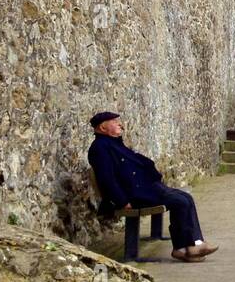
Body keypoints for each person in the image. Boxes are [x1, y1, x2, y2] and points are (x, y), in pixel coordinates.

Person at [87, 112, 218, 263]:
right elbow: (106, 178)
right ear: (103, 127)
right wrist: (121, 201)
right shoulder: (100, 148)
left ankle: (190, 246)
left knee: (185, 198)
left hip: (146, 188)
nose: (120, 124)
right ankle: (186, 248)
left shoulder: (113, 143)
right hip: (135, 195)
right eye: (115, 121)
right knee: (180, 201)